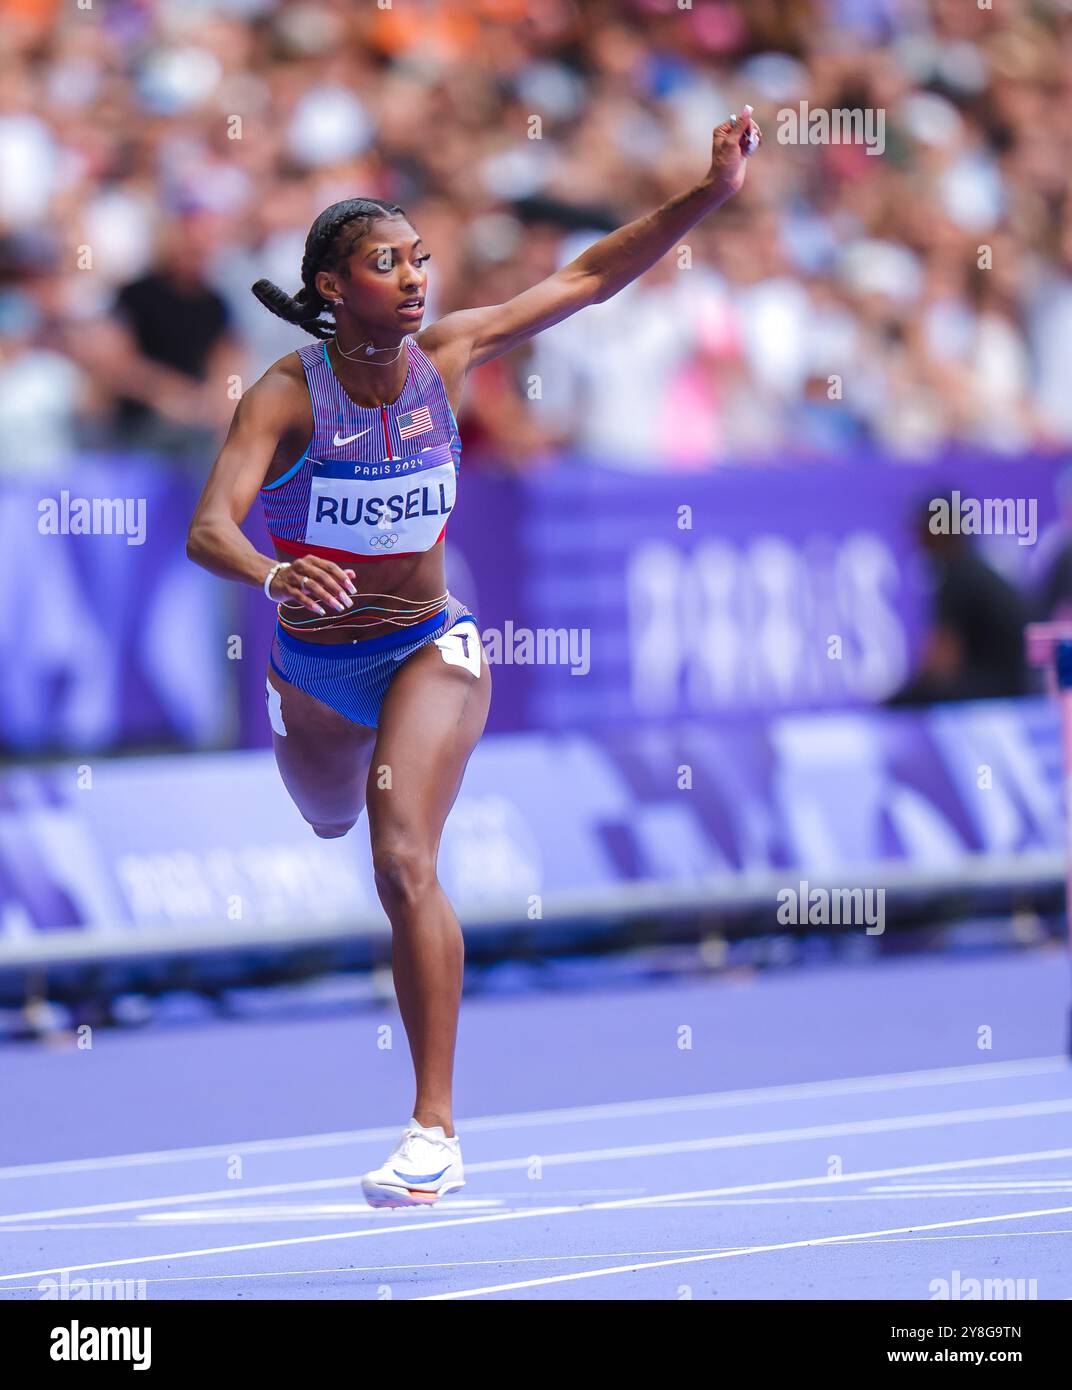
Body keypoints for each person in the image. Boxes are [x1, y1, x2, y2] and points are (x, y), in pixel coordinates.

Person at [186, 107, 762, 1208]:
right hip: (311, 671)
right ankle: (308, 742)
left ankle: (433, 1125)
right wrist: (271, 574)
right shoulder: (282, 397)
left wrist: (709, 196)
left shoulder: (446, 356)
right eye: (384, 263)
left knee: (402, 861)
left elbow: (590, 275)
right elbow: (209, 527)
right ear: (328, 284)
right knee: (324, 814)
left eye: (419, 260)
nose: (412, 279)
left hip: (427, 646)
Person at [887, 495, 1031, 706]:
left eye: (924, 530)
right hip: (1012, 685)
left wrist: (901, 697)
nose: (919, 540)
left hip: (993, 693)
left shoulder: (958, 577)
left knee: (903, 702)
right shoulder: (975, 570)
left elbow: (942, 666)